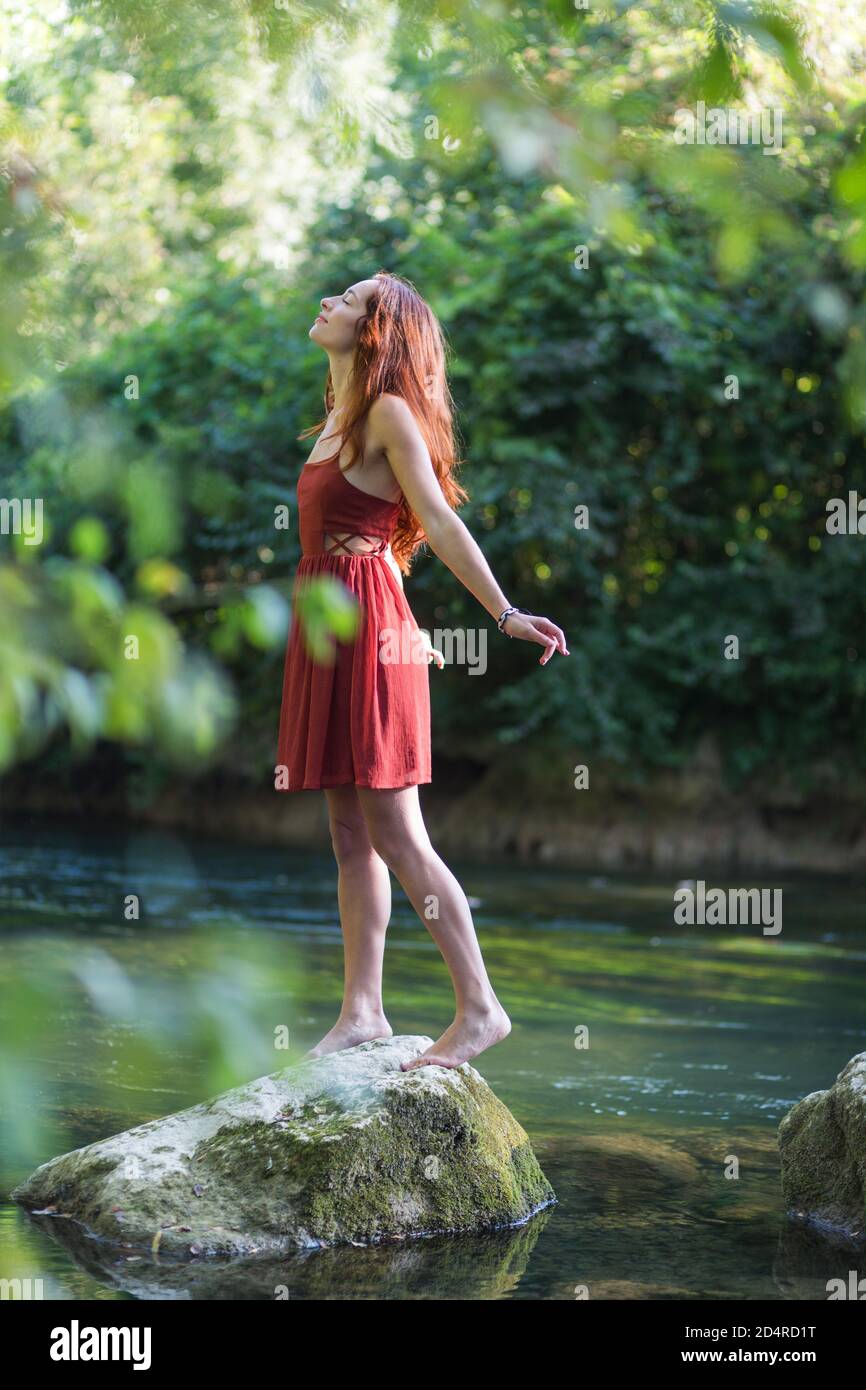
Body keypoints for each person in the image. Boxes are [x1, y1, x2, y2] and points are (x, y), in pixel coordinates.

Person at [277, 271, 568, 1069]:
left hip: (365, 631)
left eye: (349, 299)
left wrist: (503, 614)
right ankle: (362, 1012)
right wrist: (402, 621)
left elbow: (436, 519)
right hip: (336, 627)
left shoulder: (387, 413)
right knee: (348, 833)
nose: (328, 301)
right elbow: (367, 534)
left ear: (374, 330)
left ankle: (481, 1009)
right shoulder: (335, 416)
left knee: (398, 833)